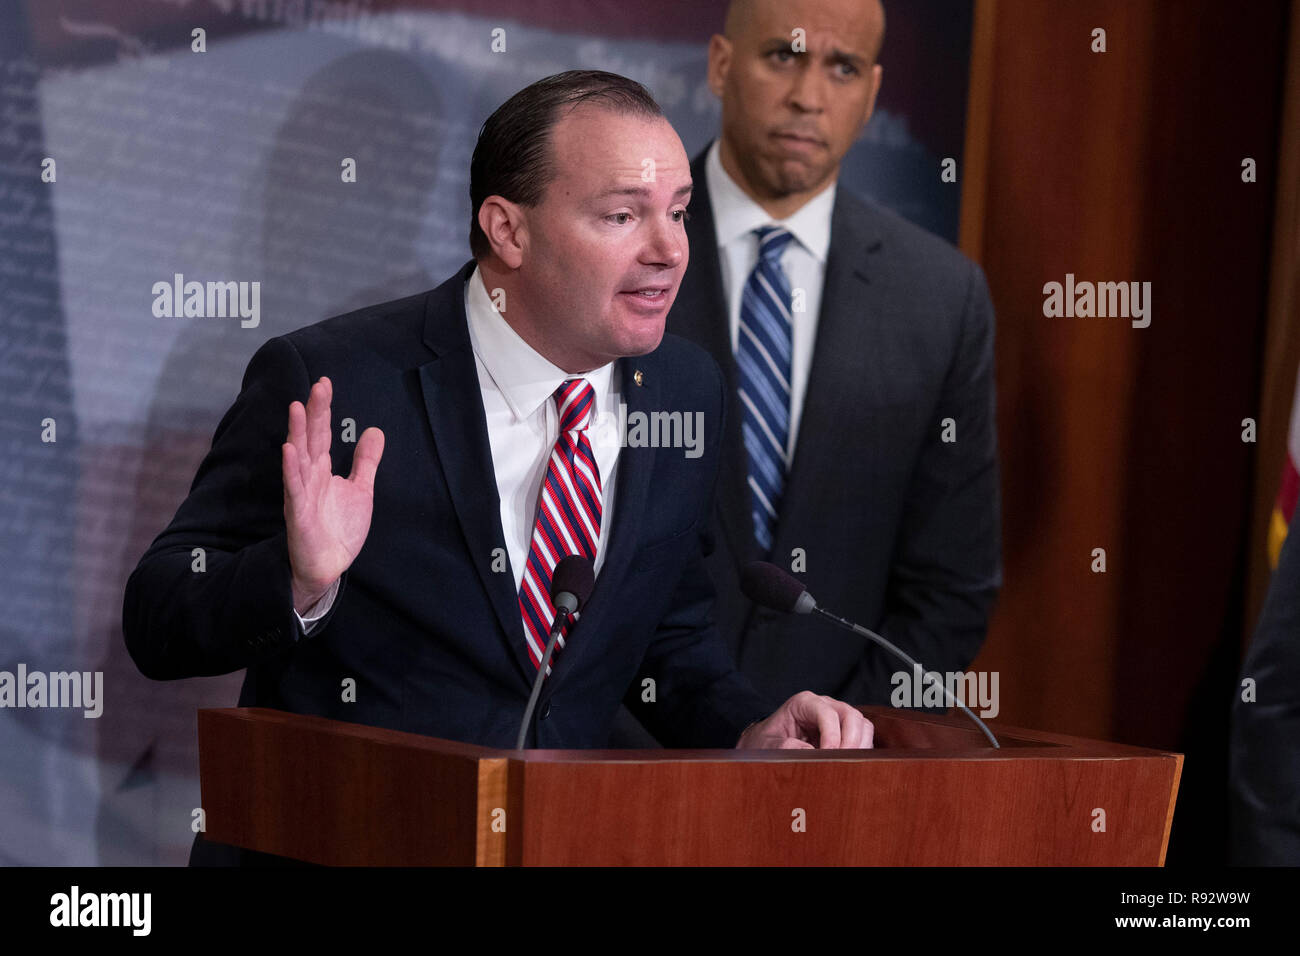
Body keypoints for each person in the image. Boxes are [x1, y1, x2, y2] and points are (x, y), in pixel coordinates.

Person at [122, 71, 873, 864]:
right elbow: (158, 618)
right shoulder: (335, 381)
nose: (670, 251)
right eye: (623, 215)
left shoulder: (685, 391)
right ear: (508, 231)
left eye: (679, 212)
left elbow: (668, 631)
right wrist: (298, 581)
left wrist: (745, 728)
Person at [617, 0, 1000, 744]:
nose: (808, 95)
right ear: (723, 65)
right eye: (783, 57)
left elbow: (951, 588)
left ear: (872, 93)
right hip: (617, 761)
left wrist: (838, 739)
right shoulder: (611, 256)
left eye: (843, 68)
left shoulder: (941, 298)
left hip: (838, 771)